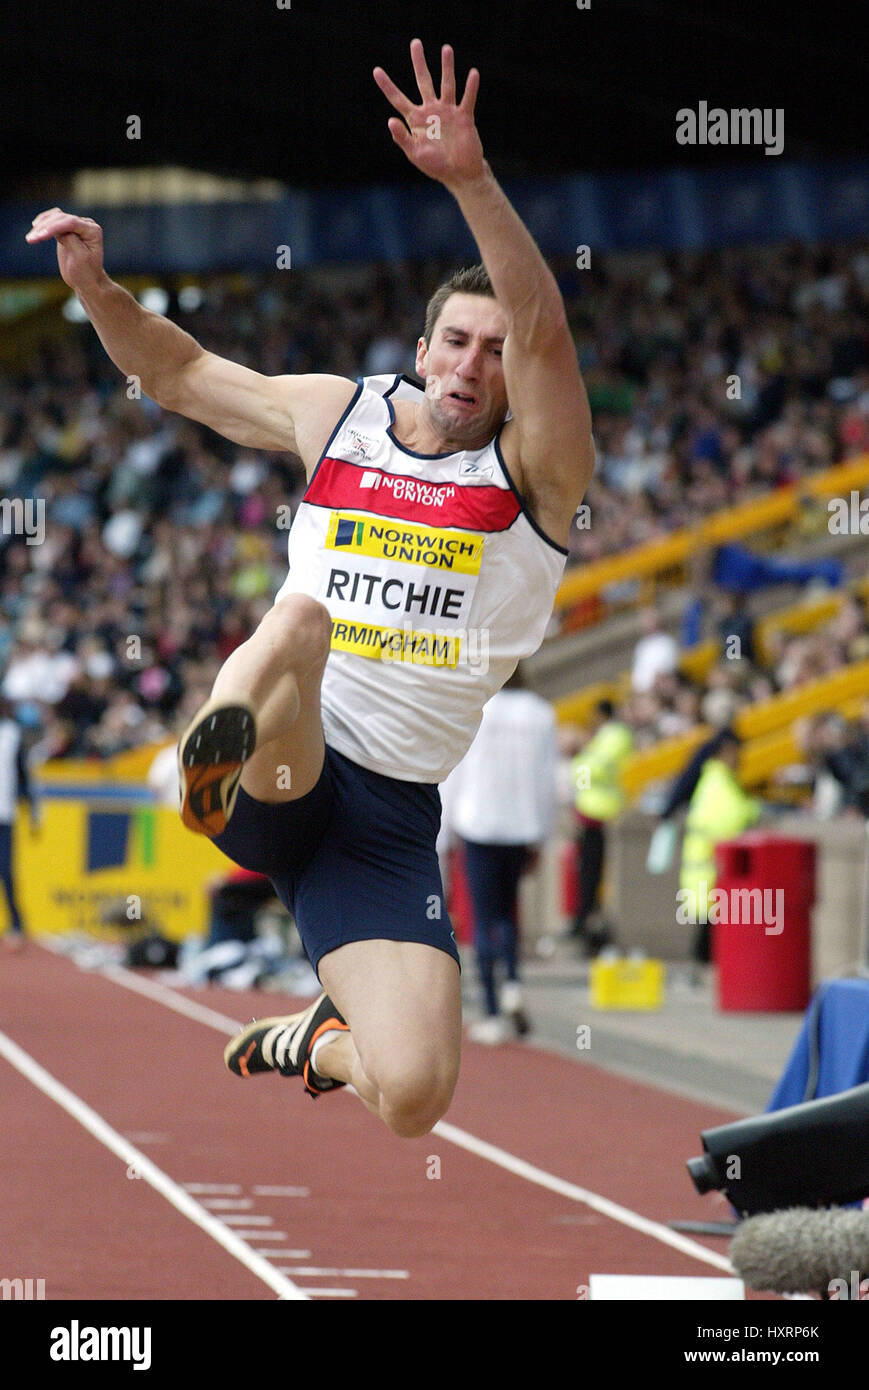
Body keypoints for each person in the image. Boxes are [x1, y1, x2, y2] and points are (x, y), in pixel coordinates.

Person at [28, 39, 593, 1138]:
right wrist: (98, 289)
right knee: (300, 616)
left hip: (380, 824)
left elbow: (543, 331)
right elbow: (176, 373)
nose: (474, 365)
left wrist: (470, 182)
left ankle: (314, 1037)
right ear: (421, 348)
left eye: (491, 352)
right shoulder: (341, 412)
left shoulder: (538, 473)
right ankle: (211, 747)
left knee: (416, 1099)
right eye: (456, 343)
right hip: (287, 754)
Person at [440, 670, 557, 1044]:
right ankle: (513, 982)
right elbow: (546, 779)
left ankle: (491, 1010)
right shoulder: (540, 713)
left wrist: (444, 833)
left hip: (479, 822)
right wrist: (542, 834)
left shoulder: (476, 707)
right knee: (508, 912)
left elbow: (455, 771)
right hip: (520, 824)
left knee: (484, 916)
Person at [679, 730, 761, 966]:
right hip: (709, 870)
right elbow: (728, 819)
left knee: (707, 929)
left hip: (703, 868)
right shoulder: (719, 781)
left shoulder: (713, 778)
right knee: (709, 933)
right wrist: (754, 810)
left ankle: (701, 969)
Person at [569, 699, 634, 954]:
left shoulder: (615, 736)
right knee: (587, 873)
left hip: (602, 813)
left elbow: (589, 769)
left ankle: (589, 922)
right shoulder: (602, 737)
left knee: (594, 875)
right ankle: (584, 920)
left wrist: (581, 758)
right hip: (591, 812)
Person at [0, 697, 40, 950]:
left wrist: (33, 808)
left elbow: (22, 774)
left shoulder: (13, 734)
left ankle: (16, 923)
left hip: (4, 813)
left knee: (6, 871)